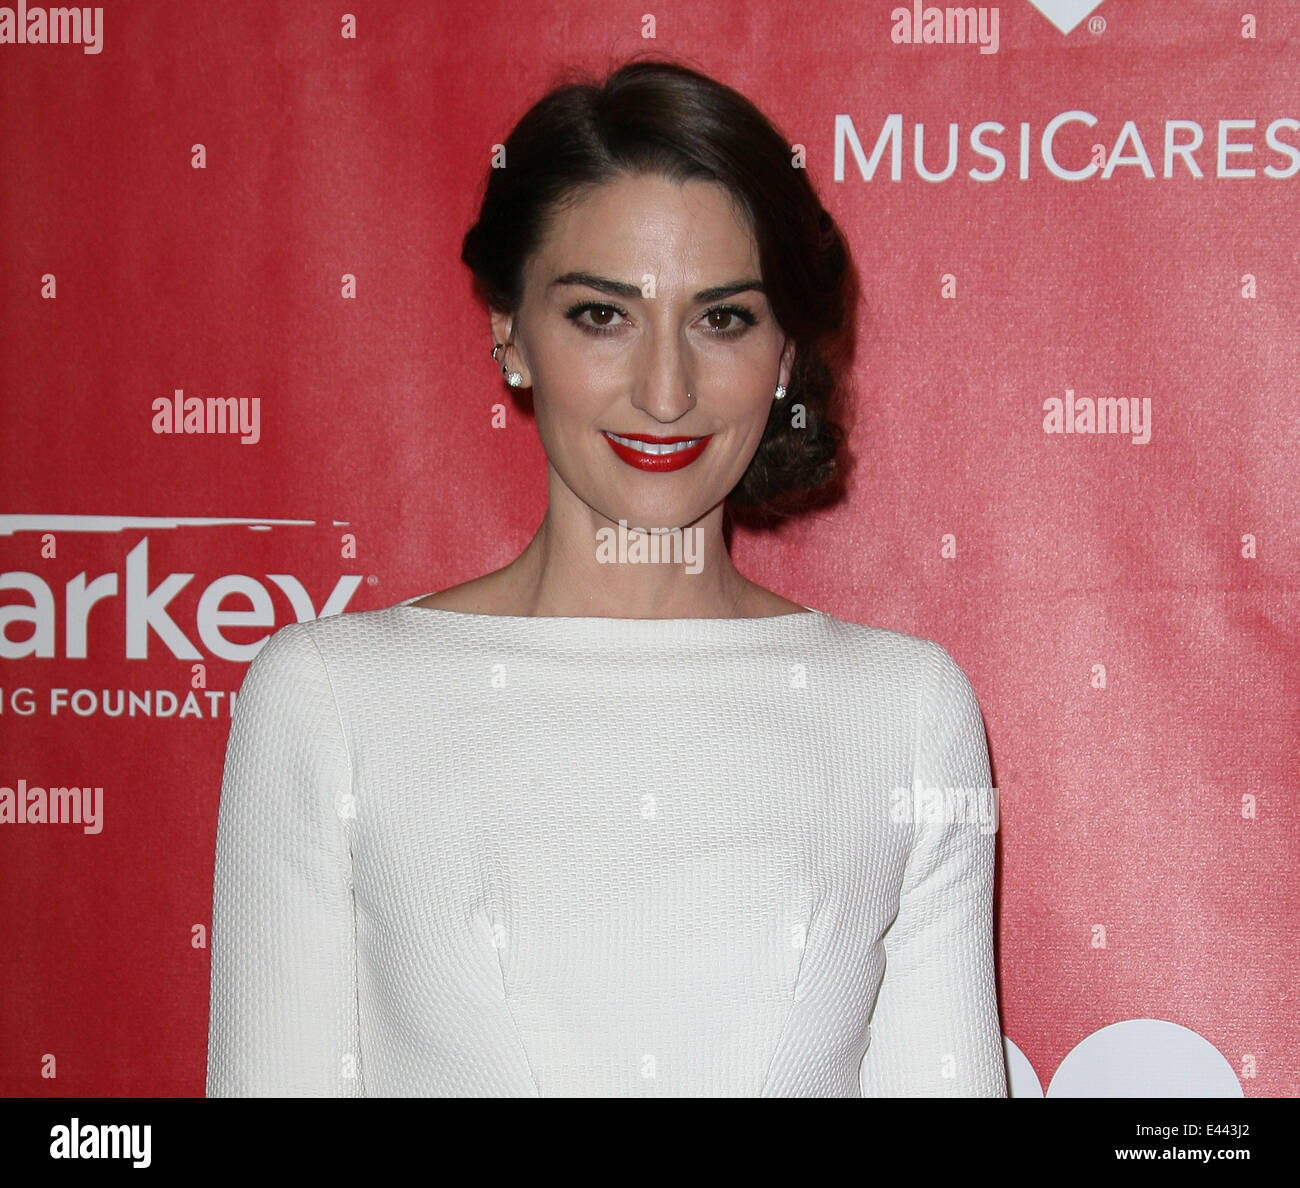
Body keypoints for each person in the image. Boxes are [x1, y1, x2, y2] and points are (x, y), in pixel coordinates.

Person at [205, 55, 1007, 1097]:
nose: (664, 390)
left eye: (722, 318)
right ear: (511, 334)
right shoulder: (331, 698)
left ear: (784, 358)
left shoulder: (903, 709)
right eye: (601, 314)